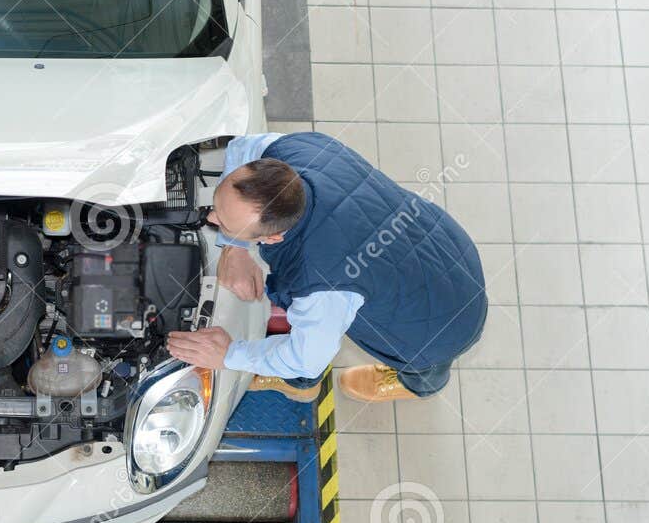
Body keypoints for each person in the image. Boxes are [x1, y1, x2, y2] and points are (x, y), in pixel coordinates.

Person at [165, 132, 487, 403]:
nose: (210, 219)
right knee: (323, 325)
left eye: (224, 222)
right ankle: (304, 383)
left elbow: (307, 358)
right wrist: (233, 246)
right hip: (446, 245)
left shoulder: (320, 281)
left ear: (274, 237)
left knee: (424, 364)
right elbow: (241, 149)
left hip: (440, 326)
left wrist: (228, 354)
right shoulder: (296, 148)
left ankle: (415, 383)